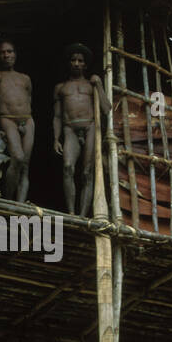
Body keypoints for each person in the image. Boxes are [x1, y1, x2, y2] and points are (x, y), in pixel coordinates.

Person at [53, 43, 110, 217]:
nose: (76, 63)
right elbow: (57, 116)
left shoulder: (91, 85)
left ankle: (83, 215)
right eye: (73, 60)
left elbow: (106, 109)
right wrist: (56, 138)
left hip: (90, 127)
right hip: (69, 128)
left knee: (87, 172)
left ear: (85, 65)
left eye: (80, 61)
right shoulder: (61, 88)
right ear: (69, 63)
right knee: (68, 167)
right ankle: (71, 212)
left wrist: (99, 85)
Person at [0, 38, 34, 202]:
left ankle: (20, 204)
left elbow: (28, 100)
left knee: (25, 166)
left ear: (15, 55)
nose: (6, 55)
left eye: (9, 51)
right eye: (2, 52)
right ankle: (8, 200)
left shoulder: (25, 78)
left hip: (28, 120)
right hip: (7, 118)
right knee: (17, 157)